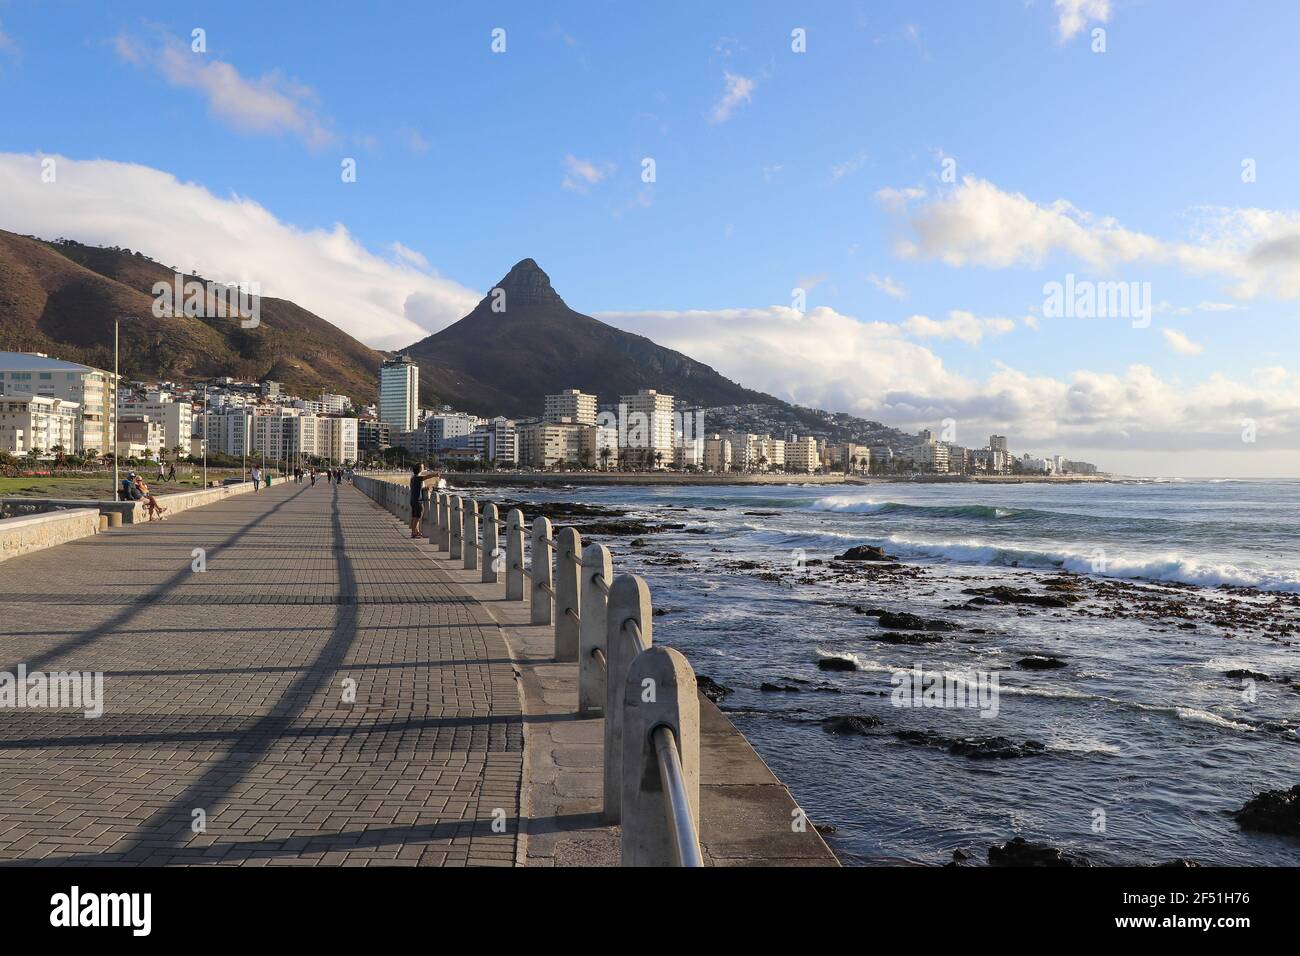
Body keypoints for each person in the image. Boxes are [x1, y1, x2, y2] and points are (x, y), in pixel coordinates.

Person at [408, 463, 441, 539]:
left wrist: (423, 489)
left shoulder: (413, 478)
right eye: (422, 467)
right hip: (417, 500)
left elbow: (414, 488)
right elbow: (427, 477)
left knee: (414, 516)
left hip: (413, 499)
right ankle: (414, 533)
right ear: (420, 469)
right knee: (418, 517)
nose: (424, 468)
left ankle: (416, 531)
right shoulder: (418, 478)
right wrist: (435, 475)